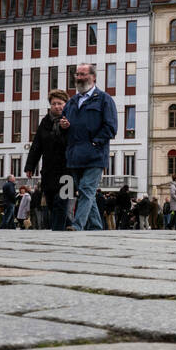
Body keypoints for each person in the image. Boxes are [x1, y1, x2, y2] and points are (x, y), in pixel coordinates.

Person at [60, 63, 117, 231]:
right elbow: (63, 127)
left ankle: (77, 225)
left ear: (93, 77)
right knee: (87, 193)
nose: (79, 77)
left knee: (86, 189)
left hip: (95, 156)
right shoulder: (72, 102)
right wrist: (63, 126)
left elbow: (111, 127)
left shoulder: (104, 99)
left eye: (83, 74)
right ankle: (97, 227)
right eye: (77, 74)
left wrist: (95, 142)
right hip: (75, 156)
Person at [25, 89, 71, 232]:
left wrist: (66, 129)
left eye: (60, 103)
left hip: (67, 170)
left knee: (61, 201)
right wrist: (30, 166)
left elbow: (73, 143)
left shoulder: (72, 119)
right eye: (54, 103)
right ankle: (68, 224)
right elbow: (37, 145)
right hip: (49, 170)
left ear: (66, 104)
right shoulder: (45, 122)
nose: (57, 106)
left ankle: (57, 232)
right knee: (51, 201)